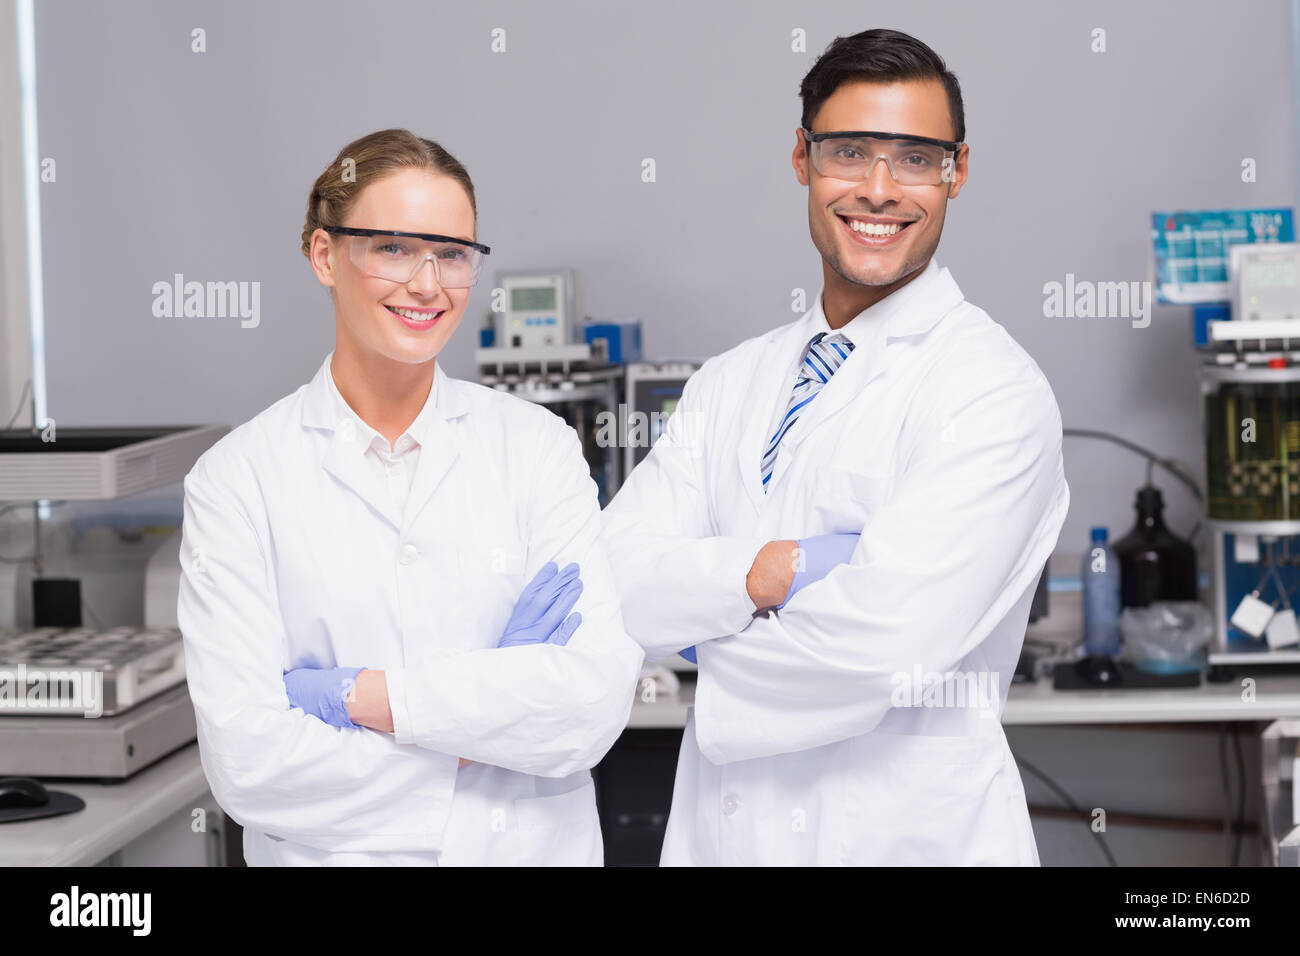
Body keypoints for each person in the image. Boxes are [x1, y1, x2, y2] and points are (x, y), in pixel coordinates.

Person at [602, 28, 1069, 865]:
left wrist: (702, 615)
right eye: (850, 152)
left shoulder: (993, 392)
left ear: (957, 170)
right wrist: (769, 572)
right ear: (802, 160)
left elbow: (883, 649)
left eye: (916, 159)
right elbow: (615, 587)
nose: (880, 190)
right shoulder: (728, 383)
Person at [177, 129, 643, 866]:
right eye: (393, 247)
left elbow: (589, 709)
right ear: (326, 256)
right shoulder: (238, 480)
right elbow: (251, 764)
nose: (428, 283)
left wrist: (368, 699)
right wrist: (485, 729)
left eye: (453, 254)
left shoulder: (537, 448)